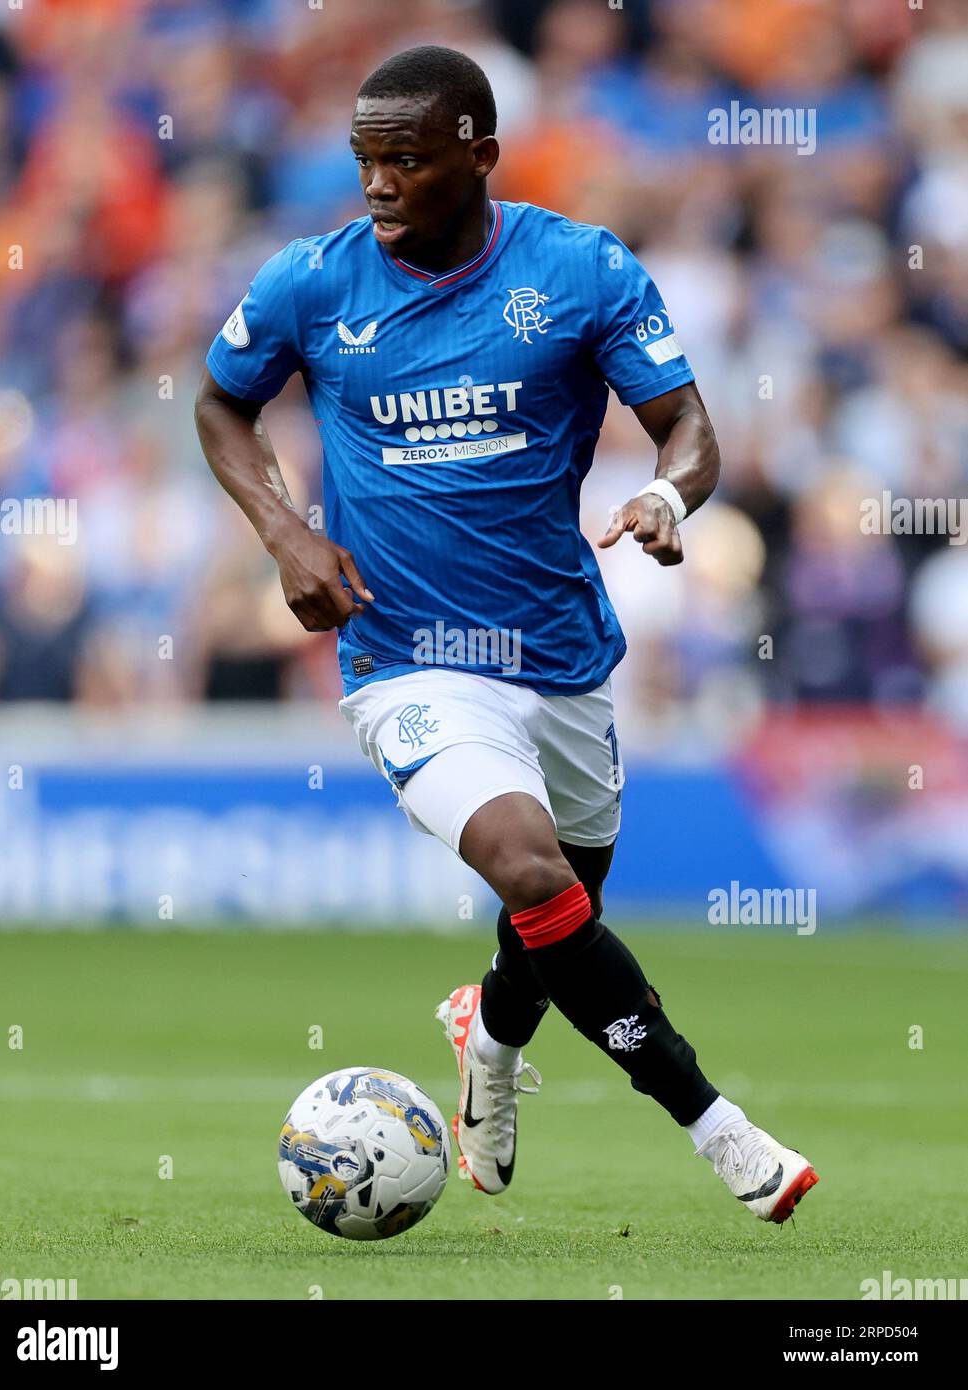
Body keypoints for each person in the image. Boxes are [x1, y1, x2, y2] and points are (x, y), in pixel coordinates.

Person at [195, 45, 818, 1224]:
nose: (377, 185)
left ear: (479, 155)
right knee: (531, 872)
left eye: (407, 160)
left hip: (558, 657)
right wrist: (282, 530)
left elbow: (687, 423)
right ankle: (718, 1128)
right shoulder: (308, 283)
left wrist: (666, 499)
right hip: (406, 661)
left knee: (555, 917)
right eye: (364, 160)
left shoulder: (579, 271)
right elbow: (220, 401)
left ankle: (489, 1030)